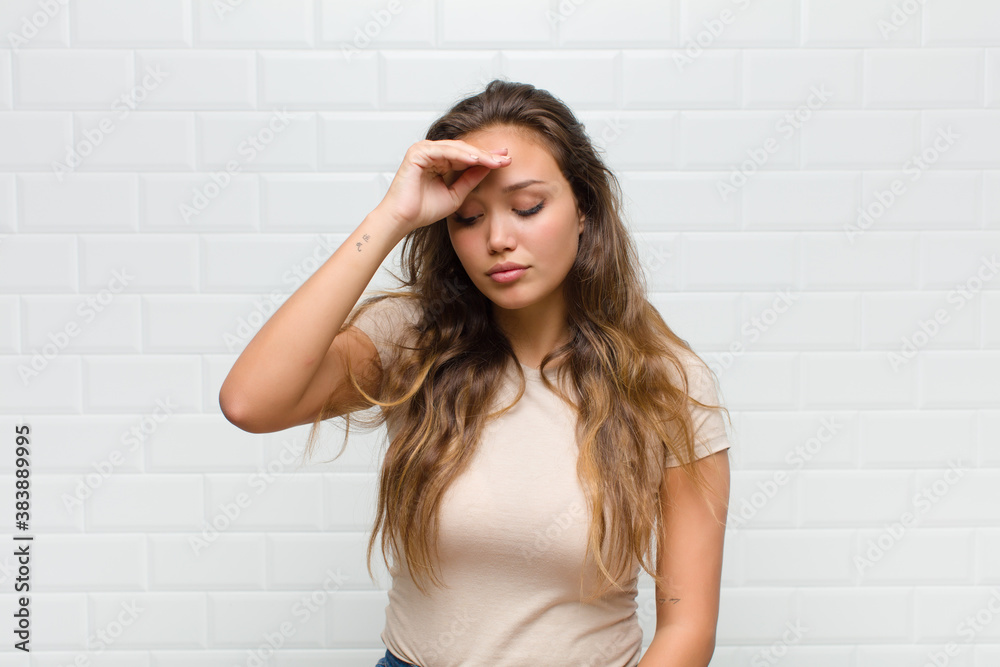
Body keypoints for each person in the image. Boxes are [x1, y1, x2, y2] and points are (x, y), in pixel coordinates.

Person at [219, 78, 732, 667]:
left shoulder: (667, 380)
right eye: (467, 218)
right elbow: (250, 402)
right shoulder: (414, 340)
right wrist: (393, 216)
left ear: (584, 210)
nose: (498, 240)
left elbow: (687, 626)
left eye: (528, 207)